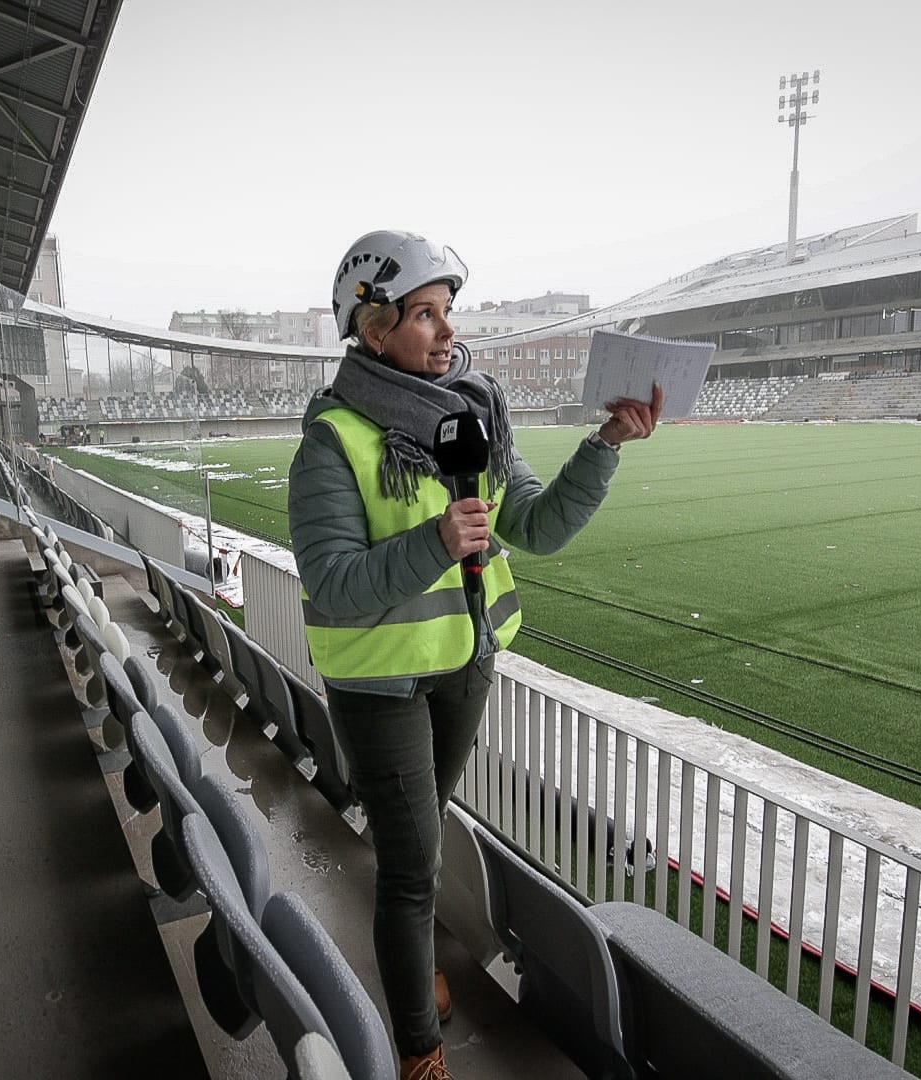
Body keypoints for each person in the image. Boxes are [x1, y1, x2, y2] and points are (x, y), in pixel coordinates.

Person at [287, 231, 661, 1080]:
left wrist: (603, 446)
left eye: (447, 311)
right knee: (411, 867)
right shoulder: (334, 438)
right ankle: (418, 1050)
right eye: (423, 315)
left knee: (419, 843)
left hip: (465, 667)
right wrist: (435, 541)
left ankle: (414, 972)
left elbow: (538, 525)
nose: (445, 331)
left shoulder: (477, 412)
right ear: (373, 330)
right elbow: (336, 584)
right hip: (381, 686)